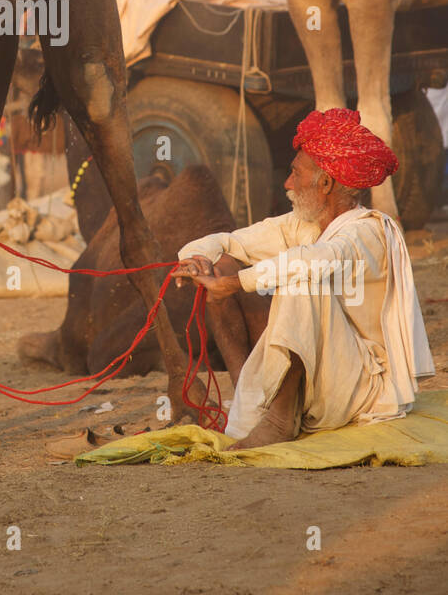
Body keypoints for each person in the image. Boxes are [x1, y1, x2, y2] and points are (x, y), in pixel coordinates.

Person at [175, 108, 434, 449]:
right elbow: (231, 241)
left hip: (362, 389)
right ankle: (249, 399)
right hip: (323, 383)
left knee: (301, 280)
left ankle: (280, 421)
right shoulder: (304, 226)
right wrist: (196, 259)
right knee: (226, 265)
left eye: (295, 174)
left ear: (325, 183)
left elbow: (313, 262)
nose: (286, 184)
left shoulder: (369, 231)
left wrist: (237, 283)